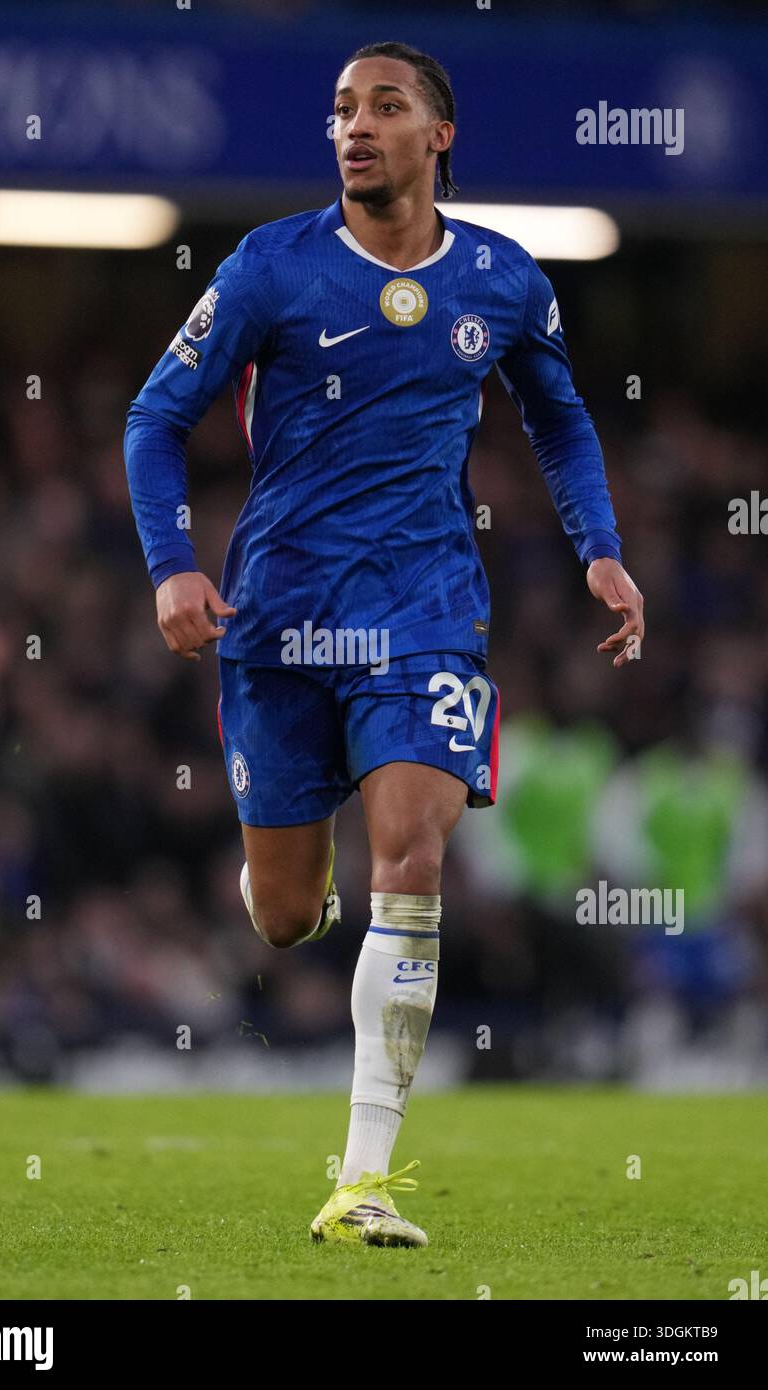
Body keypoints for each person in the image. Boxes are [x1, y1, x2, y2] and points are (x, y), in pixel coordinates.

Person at [124, 41, 644, 1247]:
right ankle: (294, 907)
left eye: (385, 106)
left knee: (408, 854)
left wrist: (599, 546)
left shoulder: (504, 280)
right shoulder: (271, 268)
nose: (354, 126)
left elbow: (559, 420)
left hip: (423, 612)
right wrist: (172, 568)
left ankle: (360, 1179)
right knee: (284, 910)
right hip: (279, 620)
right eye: (343, 109)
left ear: (438, 136)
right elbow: (156, 417)